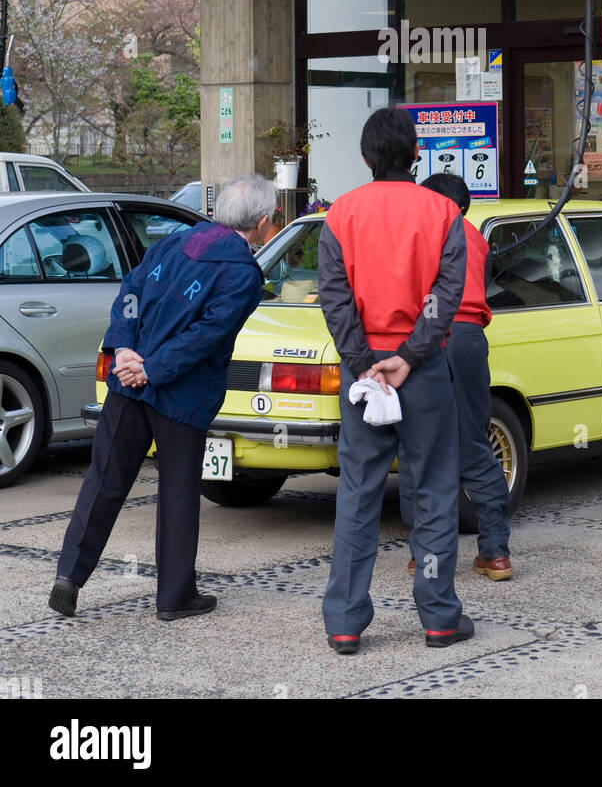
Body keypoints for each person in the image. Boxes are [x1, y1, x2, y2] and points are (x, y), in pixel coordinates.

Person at [49, 174, 275, 622]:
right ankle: (174, 596)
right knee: (177, 490)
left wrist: (124, 349)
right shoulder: (243, 272)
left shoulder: (174, 242)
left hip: (127, 384)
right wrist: (150, 366)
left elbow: (130, 293)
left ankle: (69, 576)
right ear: (264, 222)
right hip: (181, 395)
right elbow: (209, 334)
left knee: (104, 480)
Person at [317, 105, 473, 653]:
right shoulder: (443, 213)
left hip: (363, 375)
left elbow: (334, 300)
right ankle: (437, 617)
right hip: (423, 371)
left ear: (365, 158)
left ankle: (344, 620)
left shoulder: (341, 214)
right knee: (431, 491)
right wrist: (409, 355)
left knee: (358, 493)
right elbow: (445, 295)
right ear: (415, 155)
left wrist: (363, 362)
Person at [399, 174, 512, 581]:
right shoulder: (476, 236)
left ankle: (421, 555)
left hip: (431, 335)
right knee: (474, 443)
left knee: (419, 446)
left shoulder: (424, 231)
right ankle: (496, 552)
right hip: (469, 340)